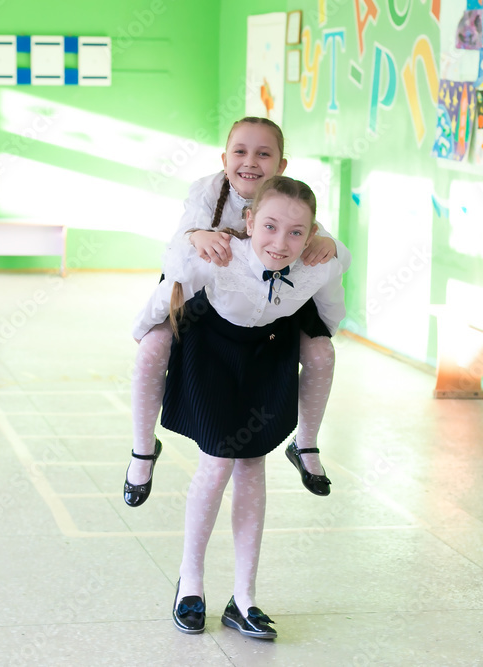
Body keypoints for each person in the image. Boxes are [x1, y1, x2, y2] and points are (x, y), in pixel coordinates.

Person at [132, 175, 346, 638]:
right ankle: (191, 585)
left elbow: (330, 311)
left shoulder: (317, 264)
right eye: (269, 227)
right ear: (248, 222)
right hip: (212, 356)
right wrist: (143, 331)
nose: (281, 242)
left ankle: (243, 599)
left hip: (267, 358)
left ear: (313, 235)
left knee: (252, 468)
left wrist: (315, 344)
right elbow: (173, 280)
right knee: (215, 467)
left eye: (296, 232)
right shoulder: (220, 258)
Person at [124, 117, 351, 507]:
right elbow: (176, 257)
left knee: (321, 353)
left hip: (272, 294)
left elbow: (326, 245)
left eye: (264, 154)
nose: (251, 162)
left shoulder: (287, 200)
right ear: (225, 158)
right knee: (150, 349)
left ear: (281, 165)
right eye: (240, 152)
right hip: (203, 284)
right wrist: (196, 235)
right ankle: (143, 450)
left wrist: (330, 246)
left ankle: (306, 444)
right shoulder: (207, 191)